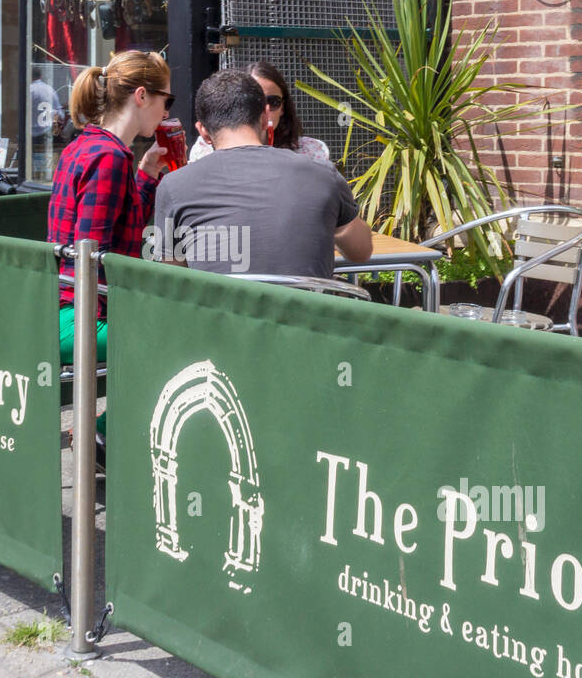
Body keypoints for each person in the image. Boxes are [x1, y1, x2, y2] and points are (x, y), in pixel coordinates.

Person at [48, 50, 171, 458]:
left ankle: (103, 435)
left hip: (64, 307)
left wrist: (148, 173)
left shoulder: (88, 147)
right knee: (176, 339)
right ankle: (101, 437)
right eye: (165, 100)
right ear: (141, 96)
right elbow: (92, 256)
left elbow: (110, 224)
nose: (167, 111)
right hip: (77, 317)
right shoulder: (110, 156)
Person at [155, 70, 371, 277]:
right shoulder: (323, 175)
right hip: (304, 314)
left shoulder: (174, 186)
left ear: (203, 132)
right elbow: (361, 252)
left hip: (220, 314)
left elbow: (172, 277)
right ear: (264, 117)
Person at [187, 60, 330, 165]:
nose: (263, 110)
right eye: (253, 102)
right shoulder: (207, 147)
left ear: (283, 108)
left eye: (273, 102)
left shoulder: (311, 150)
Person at [28, 69, 66, 178]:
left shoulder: (29, 90)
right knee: (47, 164)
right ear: (40, 76)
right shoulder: (49, 90)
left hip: (31, 134)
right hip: (46, 133)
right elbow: (61, 115)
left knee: (30, 169)